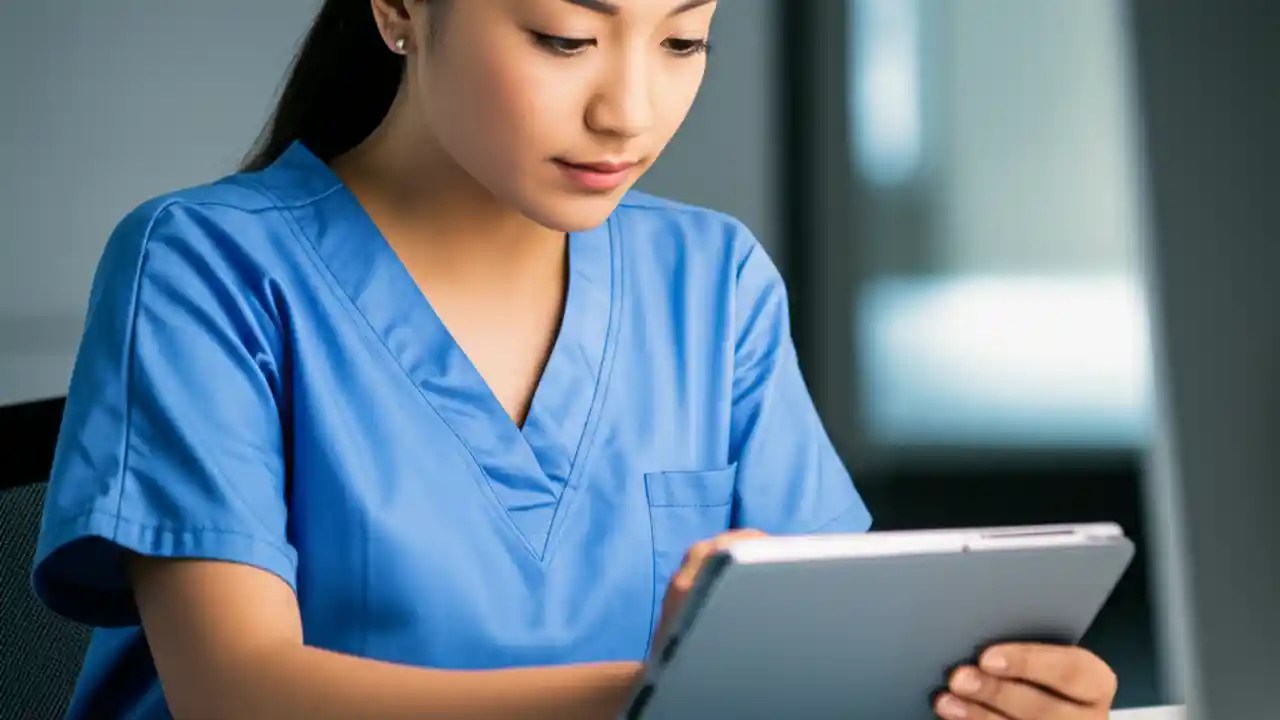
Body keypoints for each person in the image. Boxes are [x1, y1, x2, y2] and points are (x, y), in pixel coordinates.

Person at [31, 1, 1120, 718]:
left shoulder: (713, 283)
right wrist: (670, 694)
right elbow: (236, 694)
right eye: (563, 38)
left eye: (683, 41)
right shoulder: (205, 264)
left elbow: (841, 661)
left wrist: (973, 689)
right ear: (400, 8)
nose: (628, 111)